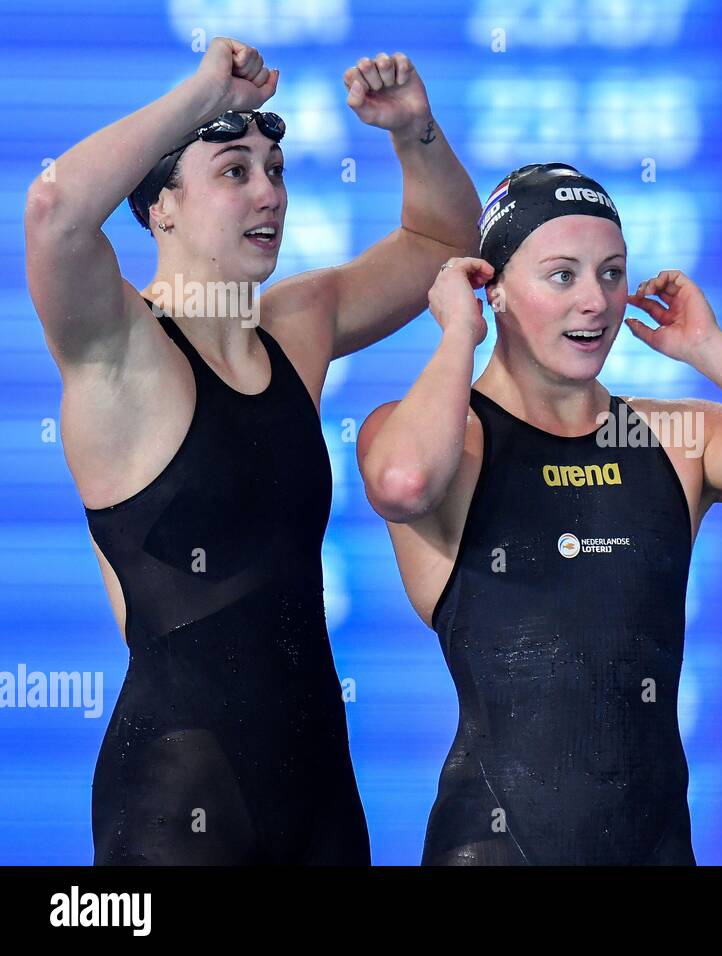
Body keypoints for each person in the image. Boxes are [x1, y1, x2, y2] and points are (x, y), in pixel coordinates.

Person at [23, 36, 481, 864]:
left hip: (321, 796)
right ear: (159, 206)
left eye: (276, 169)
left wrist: (414, 131)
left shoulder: (296, 329)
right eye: (234, 171)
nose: (268, 192)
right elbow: (55, 212)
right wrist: (200, 97)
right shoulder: (120, 350)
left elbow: (444, 243)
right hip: (177, 798)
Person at [356, 162, 722, 864]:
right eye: (561, 275)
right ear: (495, 288)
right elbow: (402, 483)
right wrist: (459, 334)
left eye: (611, 273)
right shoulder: (450, 441)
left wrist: (710, 350)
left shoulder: (671, 440)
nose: (596, 302)